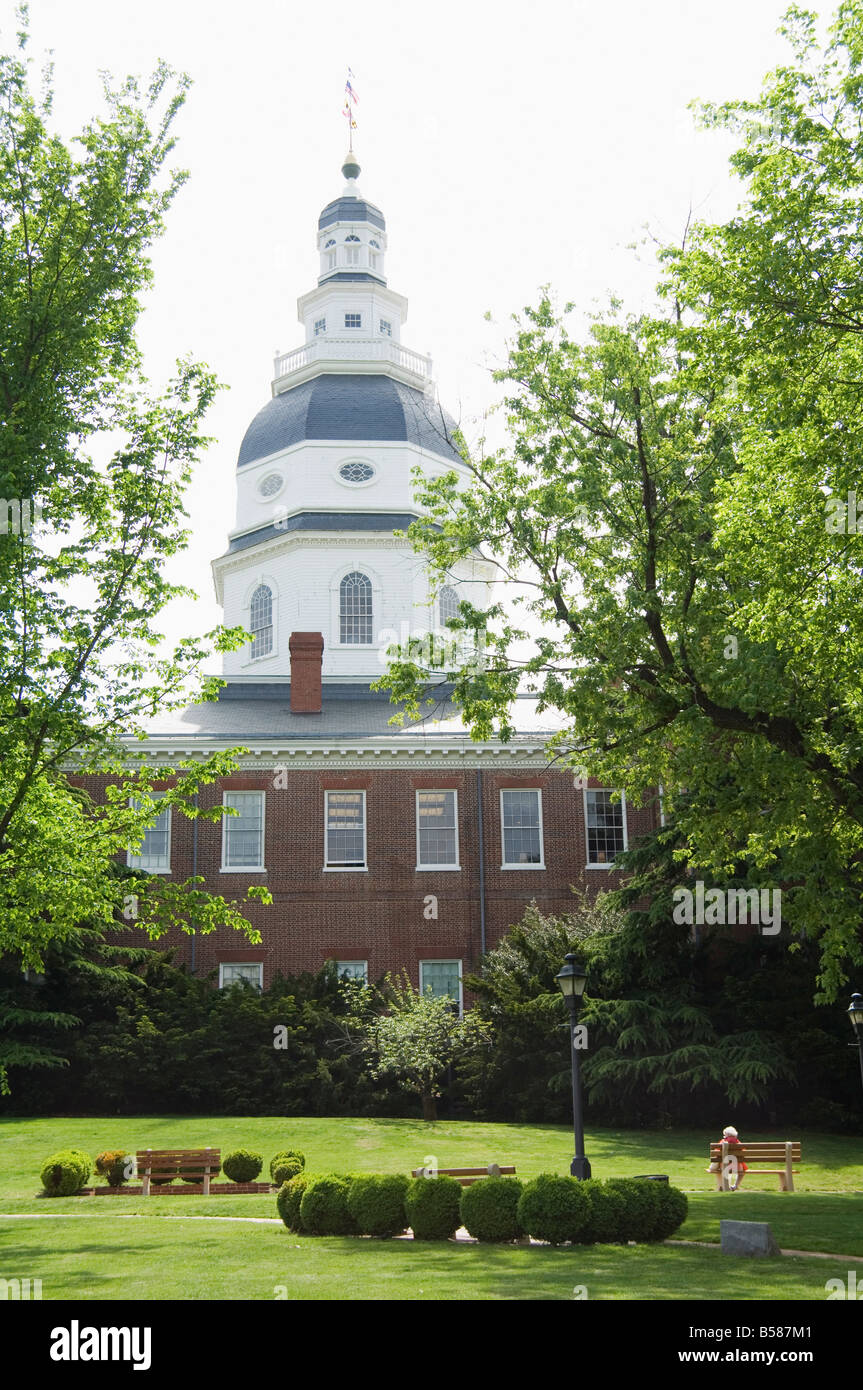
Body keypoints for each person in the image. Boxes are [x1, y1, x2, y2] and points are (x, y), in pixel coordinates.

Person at [706, 1125, 748, 1190]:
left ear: (726, 1134)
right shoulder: (739, 1143)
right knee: (741, 1170)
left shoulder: (723, 1142)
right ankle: (736, 1185)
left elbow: (717, 1153)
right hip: (738, 1167)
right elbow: (743, 1154)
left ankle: (723, 1186)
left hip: (724, 1166)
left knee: (719, 1165)